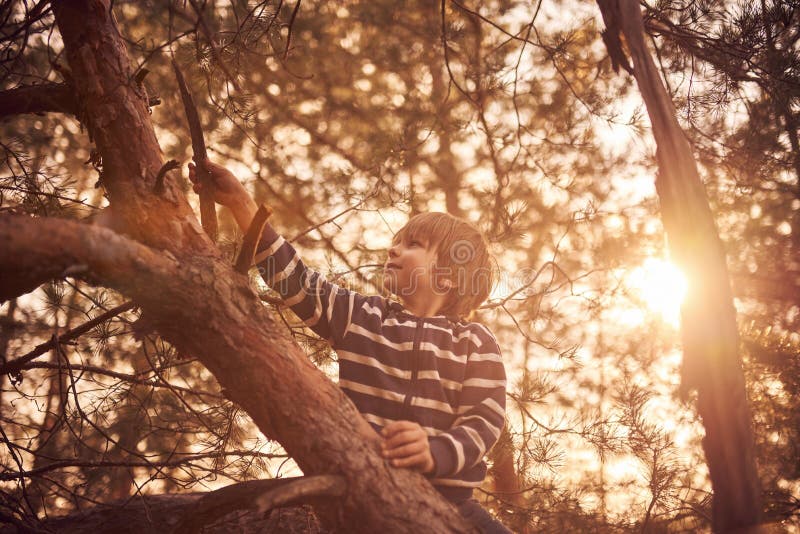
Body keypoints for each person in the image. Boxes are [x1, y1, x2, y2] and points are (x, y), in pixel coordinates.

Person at [188, 159, 512, 533]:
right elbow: (297, 282)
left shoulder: (476, 343)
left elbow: (484, 420)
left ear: (450, 274)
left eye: (413, 245)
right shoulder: (362, 316)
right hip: (359, 496)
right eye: (394, 241)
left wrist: (435, 452)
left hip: (453, 507)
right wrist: (242, 204)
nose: (392, 249)